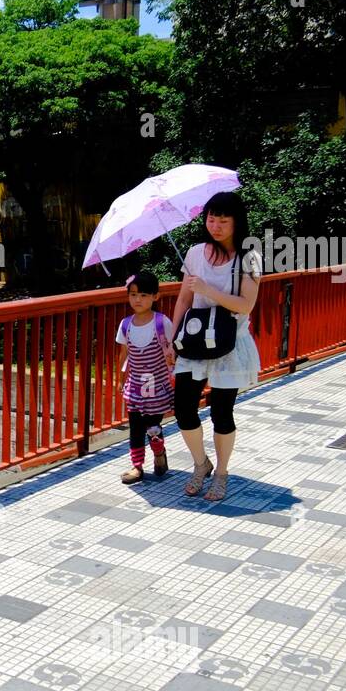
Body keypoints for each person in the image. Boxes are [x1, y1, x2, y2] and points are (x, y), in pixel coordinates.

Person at [169, 190, 263, 503]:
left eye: (223, 220)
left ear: (237, 222)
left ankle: (221, 473)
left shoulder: (249, 257)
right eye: (211, 218)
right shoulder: (195, 253)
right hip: (195, 342)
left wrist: (208, 289)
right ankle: (201, 464)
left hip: (229, 344)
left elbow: (245, 305)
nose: (216, 225)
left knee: (222, 412)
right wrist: (172, 339)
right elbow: (184, 298)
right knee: (183, 408)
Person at [115, 271, 175, 484]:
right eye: (133, 295)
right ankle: (137, 466)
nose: (137, 300)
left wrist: (173, 372)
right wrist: (121, 381)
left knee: (153, 427)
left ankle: (159, 452)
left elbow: (171, 352)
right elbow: (124, 355)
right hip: (135, 386)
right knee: (135, 427)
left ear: (155, 297)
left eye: (143, 295)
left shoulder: (162, 322)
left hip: (156, 386)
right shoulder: (126, 324)